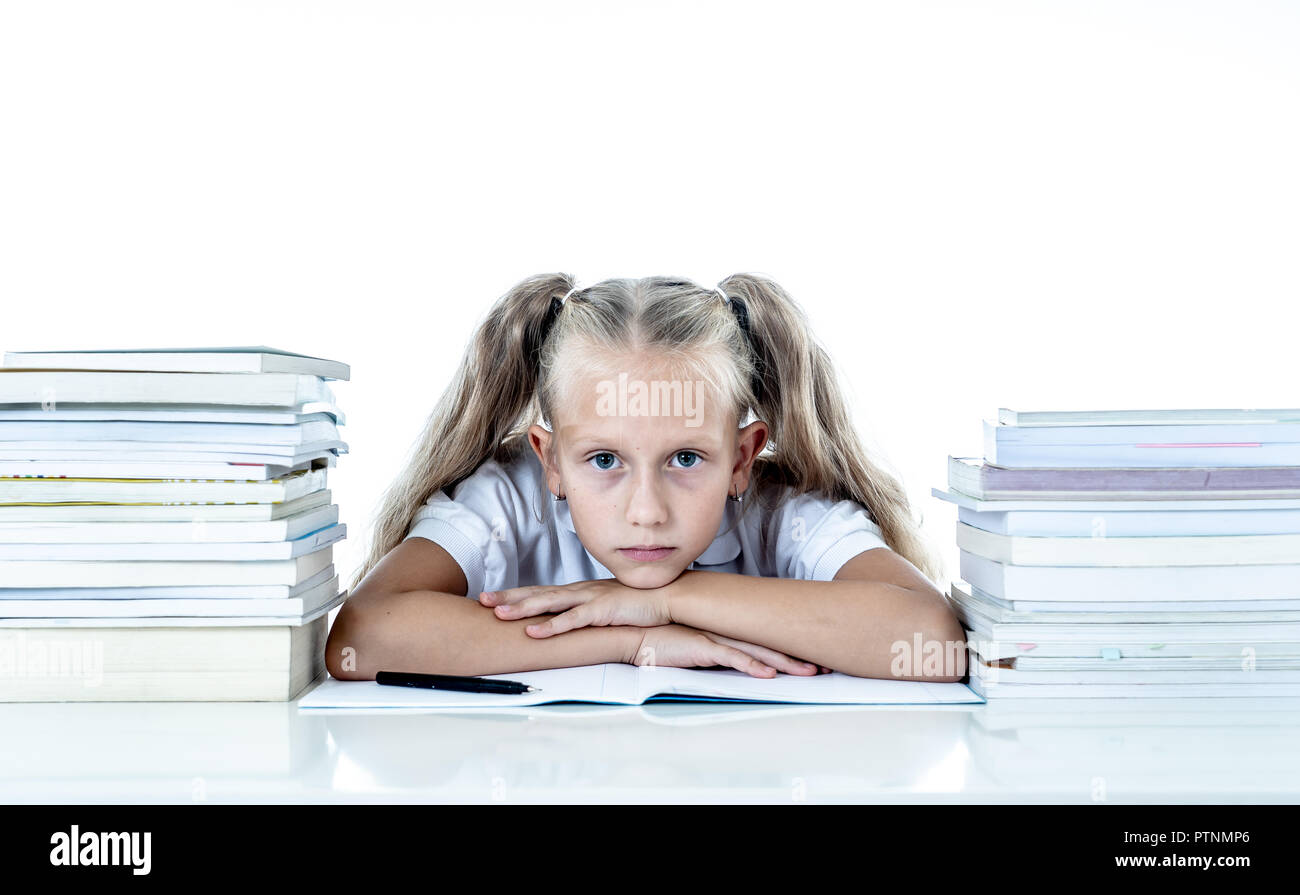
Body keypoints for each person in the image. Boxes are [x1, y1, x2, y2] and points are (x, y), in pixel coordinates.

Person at [326, 273, 966, 682]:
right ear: (550, 460)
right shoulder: (508, 498)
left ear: (743, 457)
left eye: (686, 459)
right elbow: (364, 635)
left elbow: (930, 639)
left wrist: (663, 600)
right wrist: (632, 639)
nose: (647, 511)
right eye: (604, 461)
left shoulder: (785, 512)